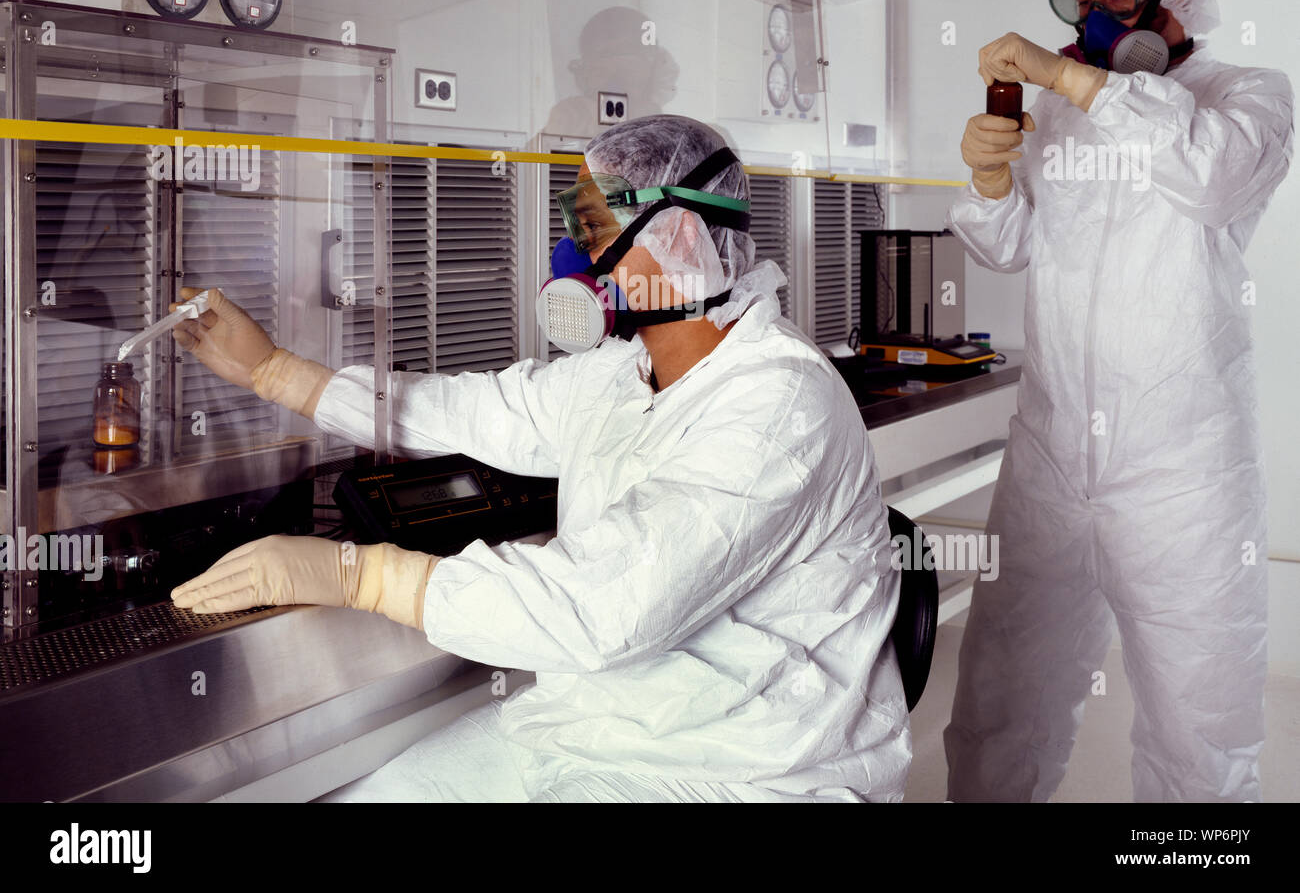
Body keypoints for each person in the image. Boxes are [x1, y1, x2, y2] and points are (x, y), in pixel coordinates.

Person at [170, 114, 912, 803]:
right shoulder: (622, 373)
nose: (574, 258)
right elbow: (470, 408)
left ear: (680, 239)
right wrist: (279, 373)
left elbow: (604, 607)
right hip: (592, 718)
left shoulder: (780, 403)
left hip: (744, 763)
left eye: (592, 230)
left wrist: (363, 576)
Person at [943, 0, 1293, 802]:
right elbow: (1008, 246)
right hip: (1052, 451)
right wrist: (989, 182)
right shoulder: (1062, 110)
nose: (1096, 17)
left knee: (1196, 714)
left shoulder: (1247, 93)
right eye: (1080, 0)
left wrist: (1073, 77)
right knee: (1004, 686)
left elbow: (1208, 180)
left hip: (1183, 467)